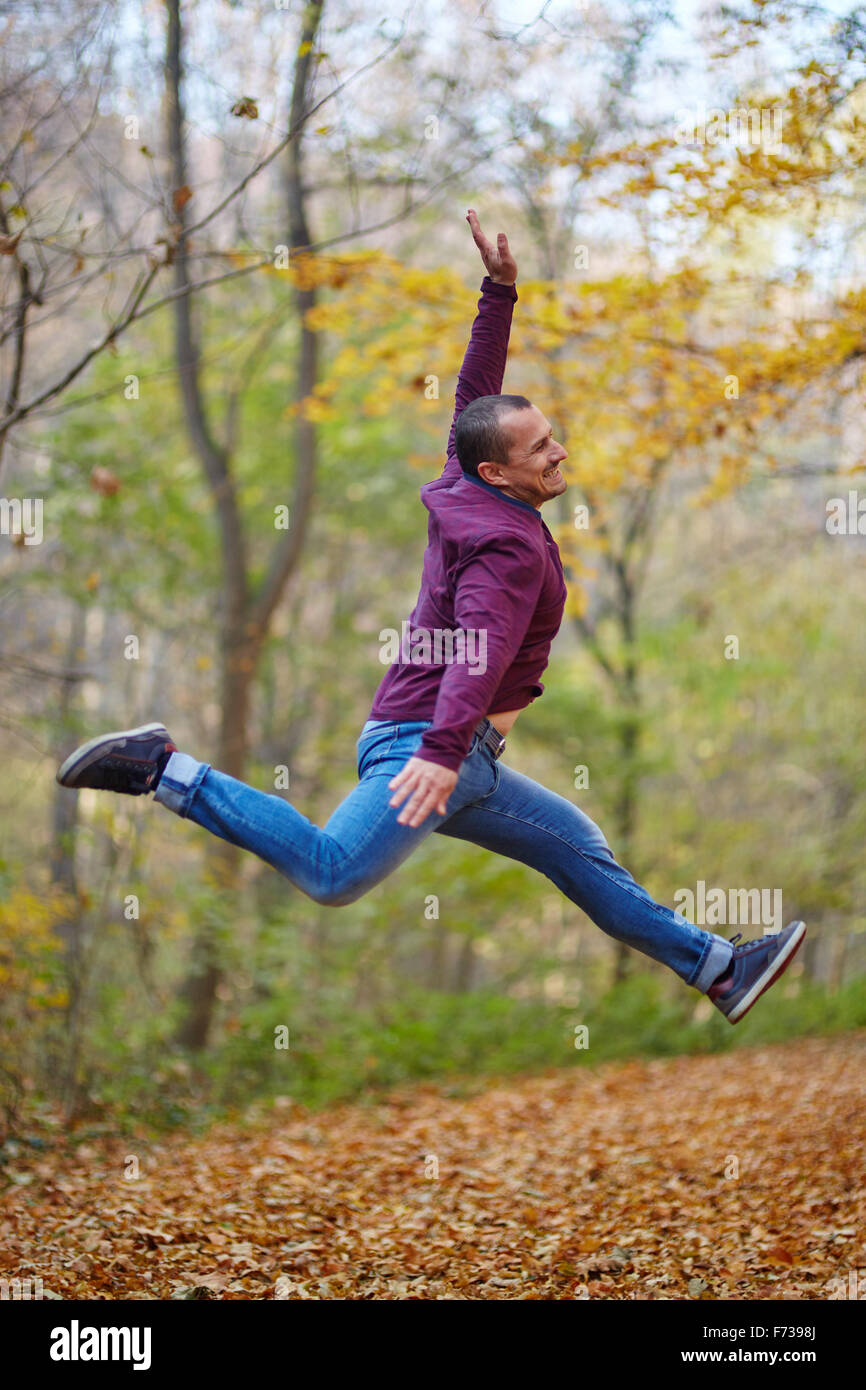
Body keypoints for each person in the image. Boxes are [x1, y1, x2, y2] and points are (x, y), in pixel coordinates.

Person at [56, 209, 805, 1024]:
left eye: (553, 436)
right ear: (499, 471)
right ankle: (164, 768)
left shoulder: (467, 475)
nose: (559, 452)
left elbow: (475, 391)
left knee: (579, 848)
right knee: (333, 873)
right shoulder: (505, 549)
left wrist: (500, 291)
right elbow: (474, 654)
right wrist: (446, 754)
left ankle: (721, 970)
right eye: (541, 450)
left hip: (453, 751)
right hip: (431, 744)